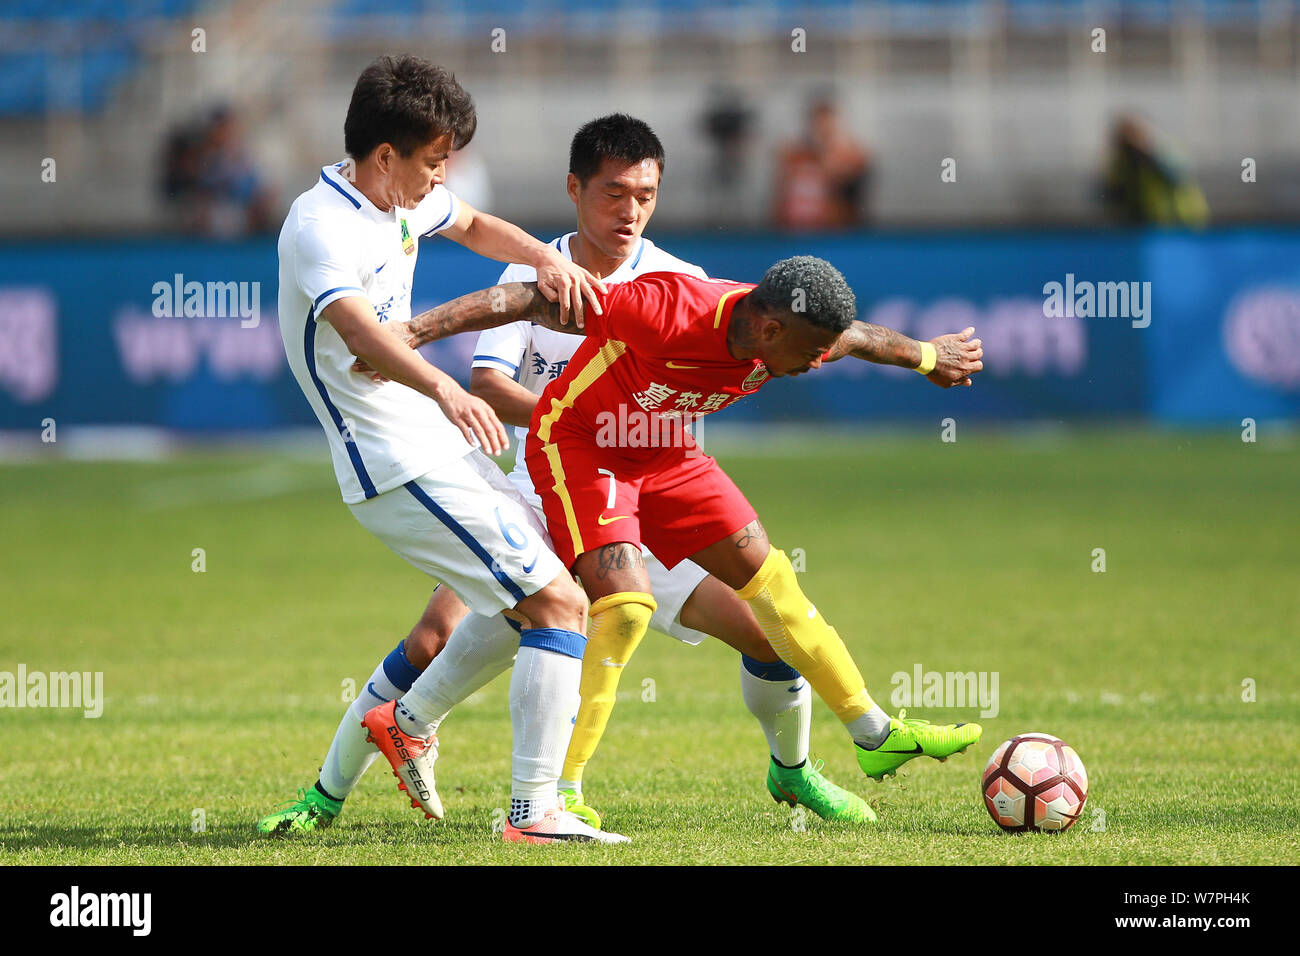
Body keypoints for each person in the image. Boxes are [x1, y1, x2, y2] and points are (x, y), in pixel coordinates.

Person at [377, 256, 986, 816]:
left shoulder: (797, 328)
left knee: (773, 583)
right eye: (813, 350)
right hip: (585, 446)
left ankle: (874, 734)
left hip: (666, 452)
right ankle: (560, 794)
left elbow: (863, 339)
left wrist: (930, 359)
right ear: (771, 330)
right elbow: (526, 299)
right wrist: (412, 333)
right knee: (623, 608)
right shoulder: (668, 310)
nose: (820, 361)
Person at [264, 53, 628, 844]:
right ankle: (535, 814)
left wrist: (546, 257)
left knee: (531, 597)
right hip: (394, 461)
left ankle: (349, 776)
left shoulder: (401, 198)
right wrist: (448, 388)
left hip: (427, 448)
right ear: (385, 155)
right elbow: (361, 334)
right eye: (433, 163)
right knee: (559, 604)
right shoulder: (320, 226)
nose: (442, 179)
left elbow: (468, 223)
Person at [773, 93, 872, 230]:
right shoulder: (793, 154)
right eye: (818, 122)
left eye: (827, 122)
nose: (822, 128)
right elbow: (781, 192)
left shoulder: (852, 154)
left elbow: (853, 190)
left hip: (835, 226)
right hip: (796, 227)